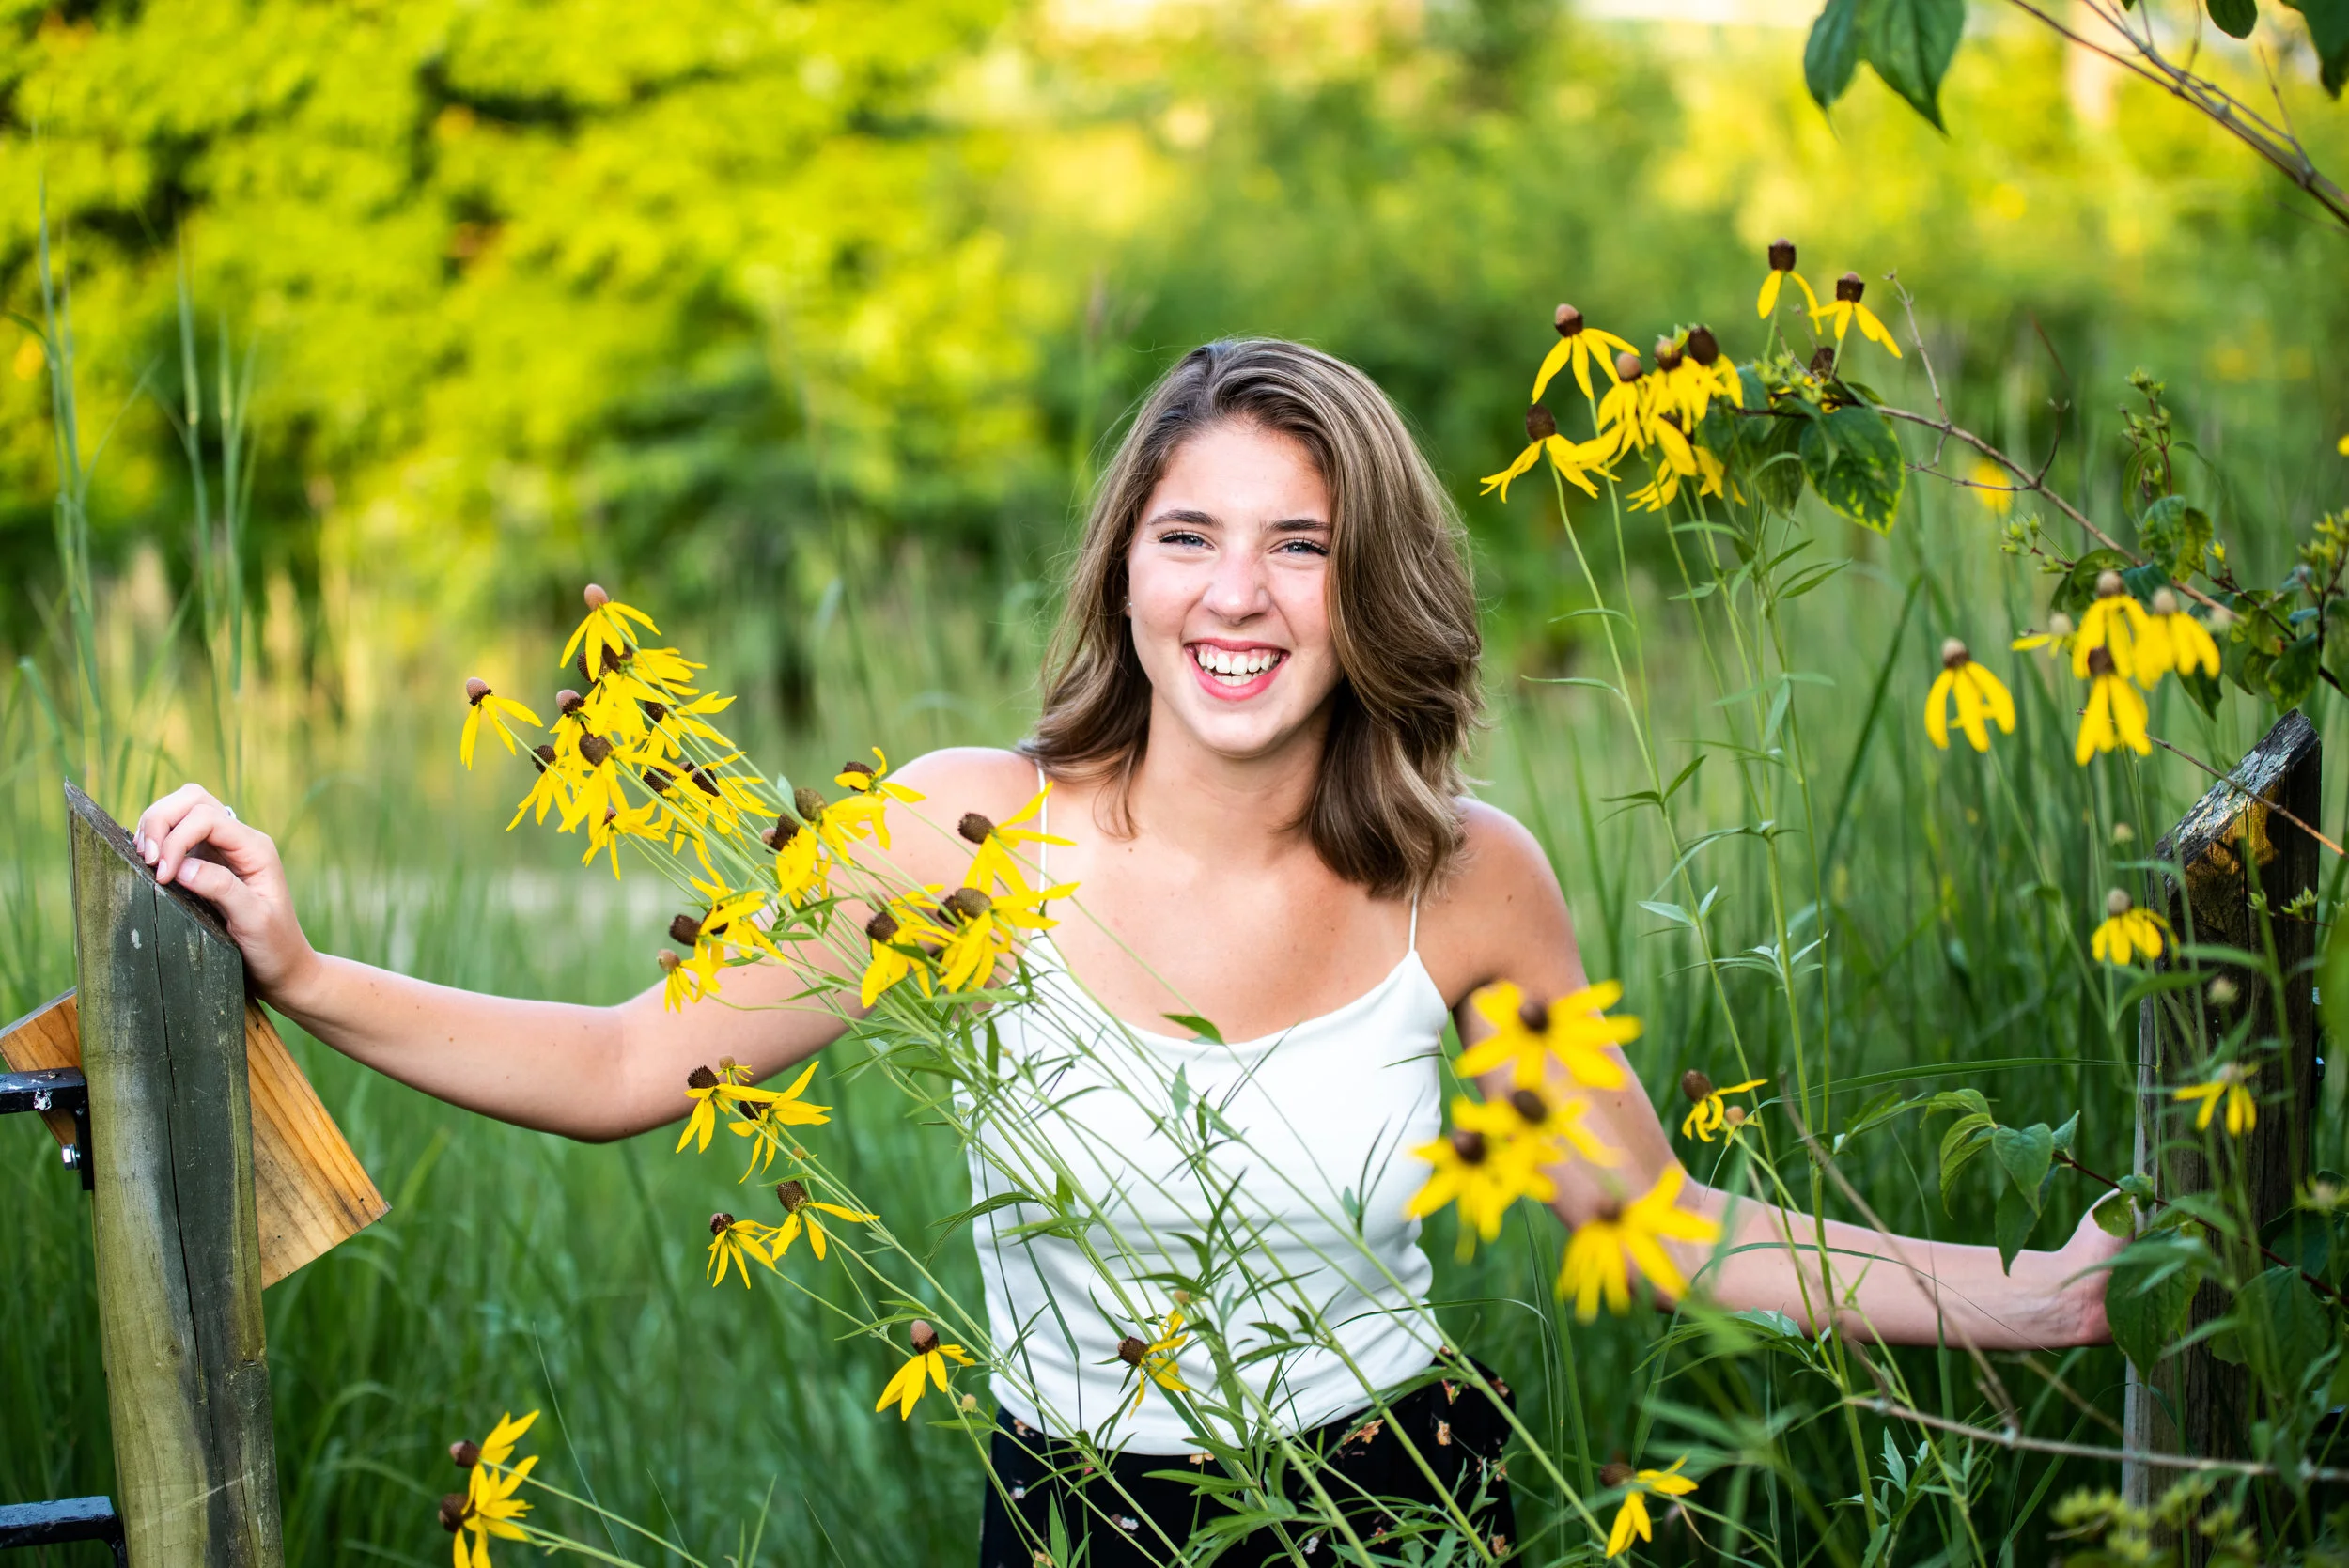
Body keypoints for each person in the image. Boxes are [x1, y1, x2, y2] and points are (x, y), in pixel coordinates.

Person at [133, 337, 2118, 1565]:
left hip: (1400, 1506)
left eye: (1300, 545)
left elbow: (1663, 1224)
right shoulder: (953, 831)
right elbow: (628, 1065)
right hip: (1075, 1515)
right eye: (1190, 536)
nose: (1236, 597)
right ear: (1125, 569)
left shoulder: (1465, 878)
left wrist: (2029, 1299)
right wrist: (301, 966)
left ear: (1370, 592)